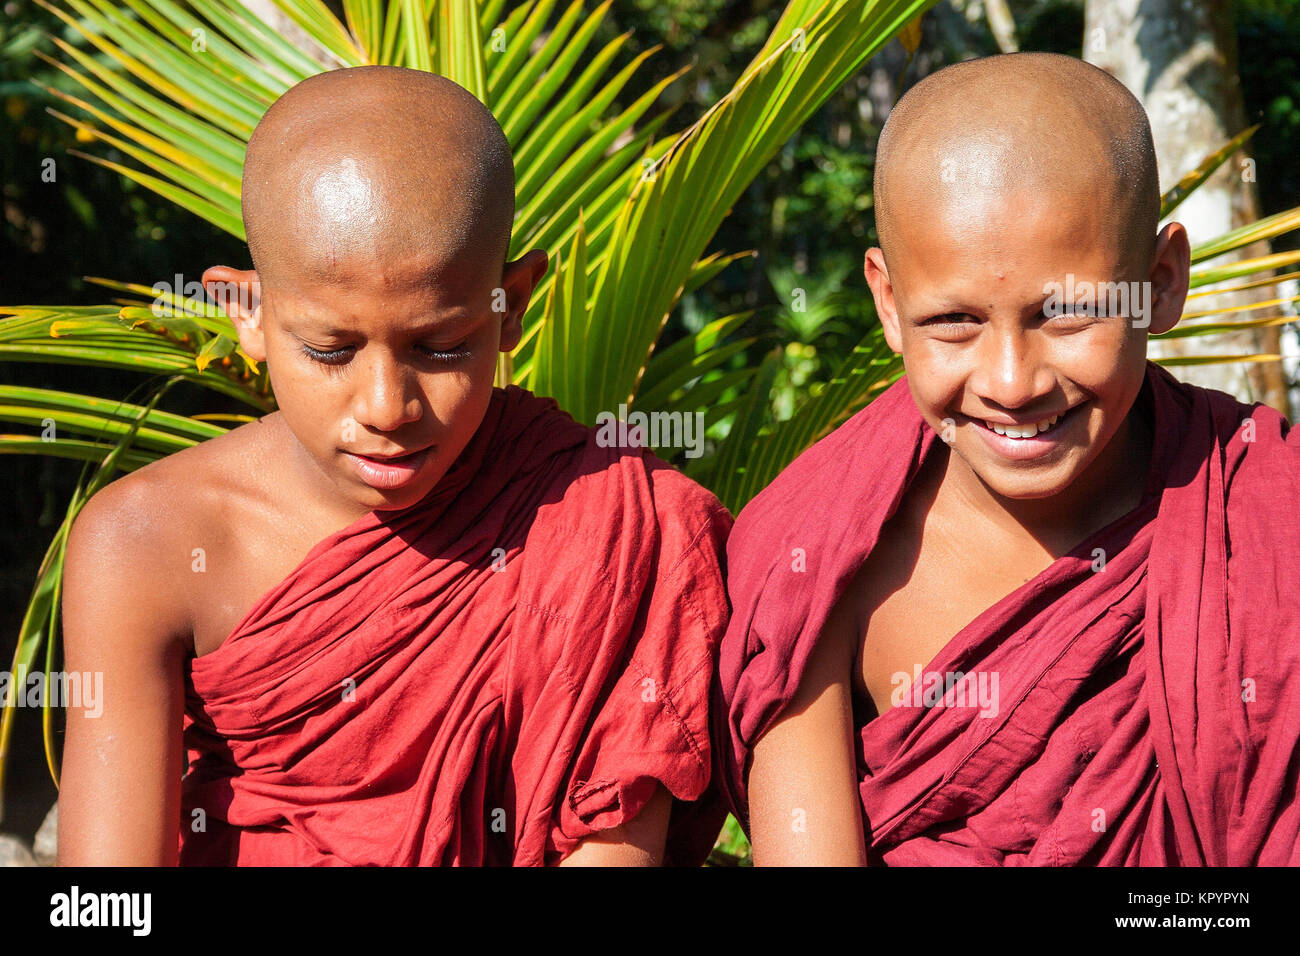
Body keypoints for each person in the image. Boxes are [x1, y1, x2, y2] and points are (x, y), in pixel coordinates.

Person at [57, 65, 732, 866]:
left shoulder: (618, 528)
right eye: (329, 350)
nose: (387, 405)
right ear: (246, 313)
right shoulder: (144, 543)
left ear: (509, 306)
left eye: (441, 346)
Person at [714, 52, 1300, 865]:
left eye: (1067, 314)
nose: (1012, 382)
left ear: (1162, 281)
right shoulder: (813, 559)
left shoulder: (1269, 518)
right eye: (953, 321)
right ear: (889, 303)